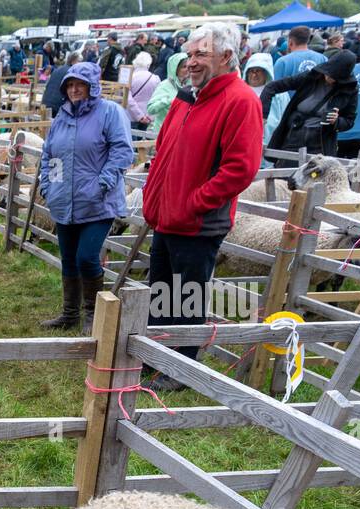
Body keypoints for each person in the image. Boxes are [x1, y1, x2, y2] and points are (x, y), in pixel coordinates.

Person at [141, 22, 262, 391]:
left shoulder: (240, 101)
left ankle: (182, 369)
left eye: (201, 55)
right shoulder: (187, 97)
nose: (190, 62)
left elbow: (240, 168)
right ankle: (158, 357)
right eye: (189, 54)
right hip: (168, 215)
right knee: (163, 291)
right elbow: (164, 148)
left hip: (196, 221)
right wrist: (158, 195)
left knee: (187, 295)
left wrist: (194, 202)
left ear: (227, 56)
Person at [39, 61, 133, 334]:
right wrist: (47, 185)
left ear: (92, 86)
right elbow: (49, 154)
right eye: (70, 84)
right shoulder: (62, 117)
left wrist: (102, 183)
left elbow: (121, 151)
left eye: (80, 84)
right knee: (68, 258)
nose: (74, 89)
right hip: (65, 201)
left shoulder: (110, 113)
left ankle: (93, 314)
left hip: (97, 202)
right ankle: (70, 313)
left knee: (87, 257)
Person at [262, 51, 357, 162]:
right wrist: (263, 114)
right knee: (284, 174)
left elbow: (349, 120)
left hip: (321, 143)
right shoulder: (311, 76)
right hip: (294, 135)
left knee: (316, 178)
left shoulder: (350, 89)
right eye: (328, 73)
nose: (329, 78)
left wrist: (337, 121)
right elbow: (272, 87)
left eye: (334, 77)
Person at [244, 53, 284, 152]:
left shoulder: (279, 95)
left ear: (266, 72)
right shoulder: (240, 92)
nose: (254, 74)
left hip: (270, 148)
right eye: (251, 71)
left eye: (258, 71)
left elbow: (284, 119)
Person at [147, 51, 188, 135]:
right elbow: (150, 109)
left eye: (189, 66)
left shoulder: (190, 85)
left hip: (180, 133)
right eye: (184, 67)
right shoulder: (165, 85)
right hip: (163, 133)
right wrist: (168, 101)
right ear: (175, 69)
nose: (188, 69)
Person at [126, 51, 159, 129]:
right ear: (149, 63)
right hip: (148, 117)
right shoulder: (155, 79)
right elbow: (157, 98)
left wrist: (139, 115)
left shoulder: (129, 77)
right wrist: (150, 116)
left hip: (131, 116)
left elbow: (127, 99)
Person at [44, 52, 82, 116]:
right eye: (80, 61)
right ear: (73, 61)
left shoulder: (58, 69)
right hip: (58, 106)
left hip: (45, 103)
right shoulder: (72, 72)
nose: (81, 64)